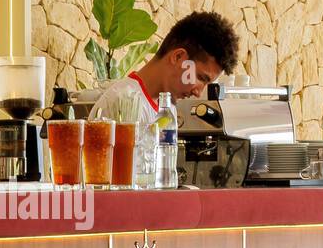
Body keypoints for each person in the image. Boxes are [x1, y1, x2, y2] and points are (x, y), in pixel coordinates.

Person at [90, 11, 240, 182]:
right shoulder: (122, 102)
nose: (198, 92)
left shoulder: (168, 110)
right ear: (177, 57)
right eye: (200, 77)